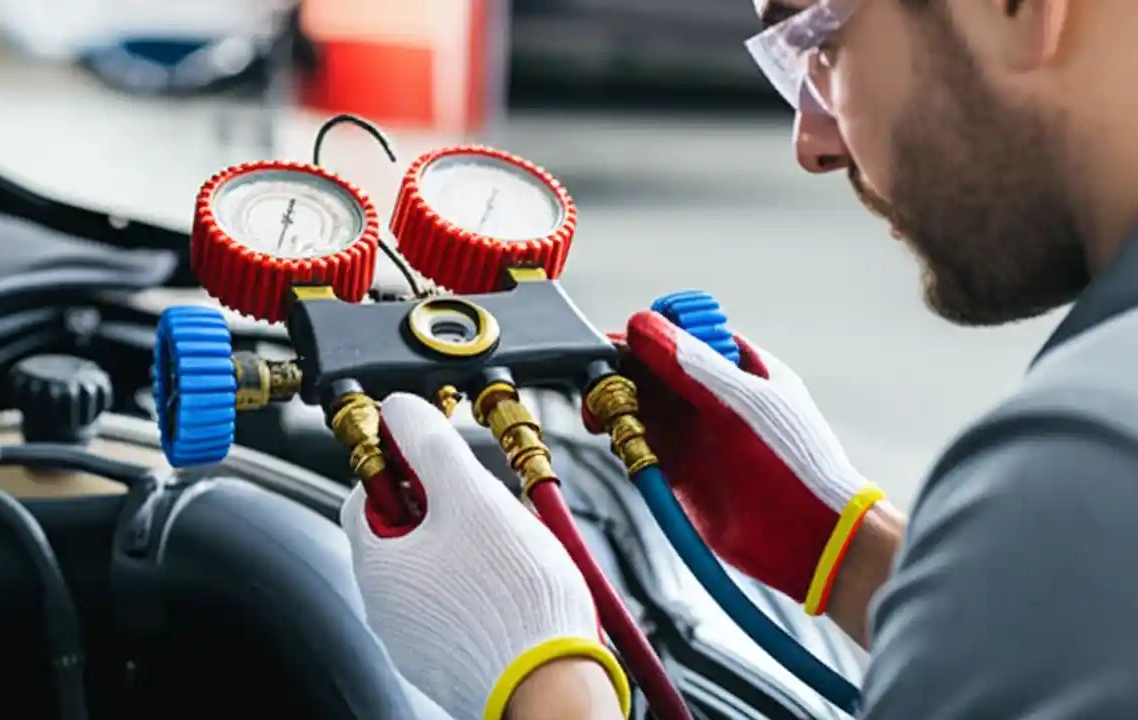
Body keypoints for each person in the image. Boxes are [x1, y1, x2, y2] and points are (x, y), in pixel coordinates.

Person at [343, 0, 1138, 717]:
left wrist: (549, 689)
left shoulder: (1082, 471)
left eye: (820, 41)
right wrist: (849, 553)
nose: (813, 143)